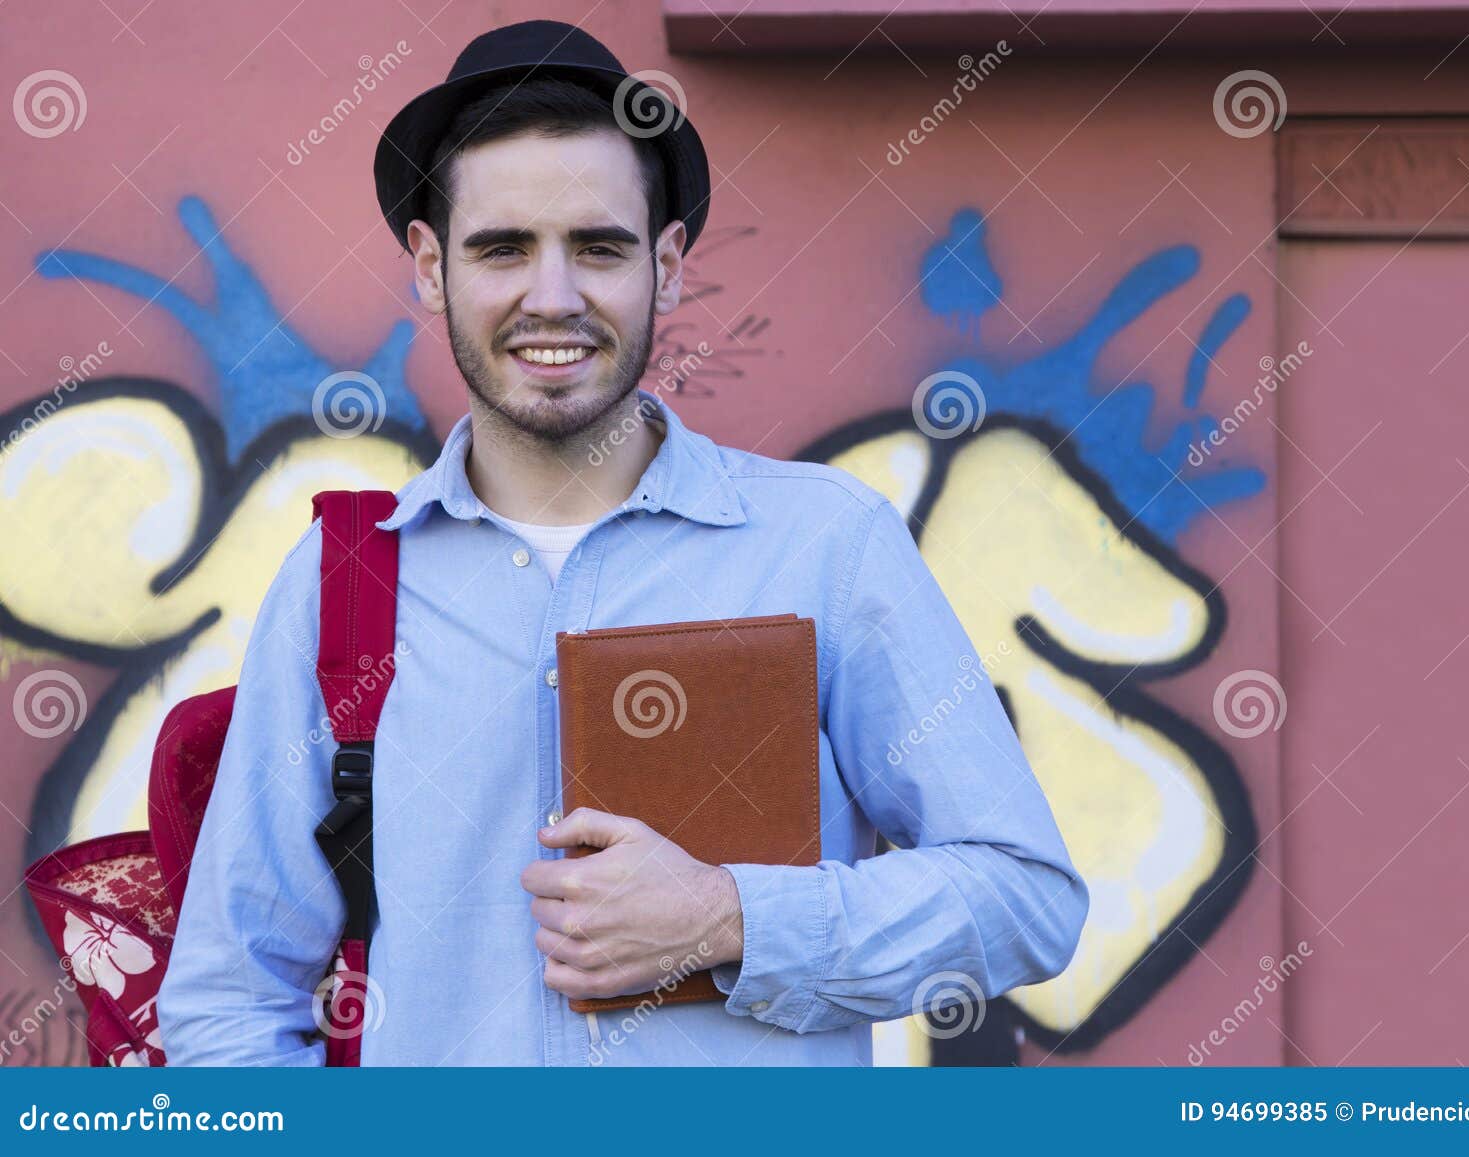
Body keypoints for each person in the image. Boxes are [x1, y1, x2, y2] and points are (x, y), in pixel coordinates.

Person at [158, 19, 1089, 1066]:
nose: (551, 297)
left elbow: (1023, 896)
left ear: (668, 265)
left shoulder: (828, 545)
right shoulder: (346, 582)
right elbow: (229, 999)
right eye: (501, 247)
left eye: (597, 247)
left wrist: (729, 916)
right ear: (430, 269)